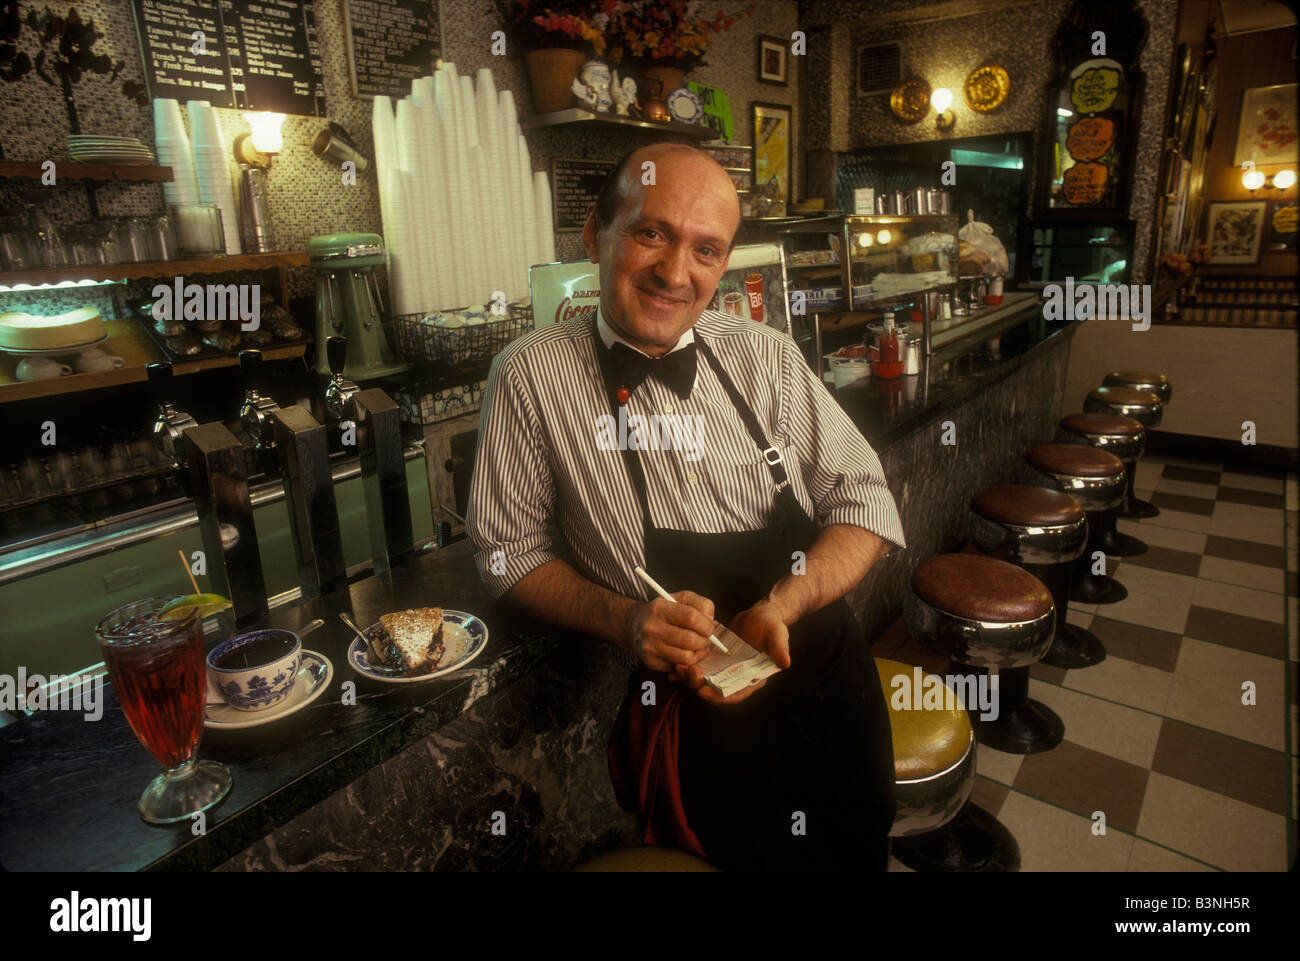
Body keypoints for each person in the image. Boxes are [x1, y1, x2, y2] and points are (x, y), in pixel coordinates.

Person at [467, 142, 905, 870]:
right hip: (695, 728)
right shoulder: (529, 376)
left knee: (858, 845)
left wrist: (784, 604)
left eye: (706, 249)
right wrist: (628, 617)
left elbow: (865, 501)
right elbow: (506, 553)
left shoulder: (766, 354)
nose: (677, 273)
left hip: (827, 678)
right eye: (650, 234)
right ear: (594, 233)